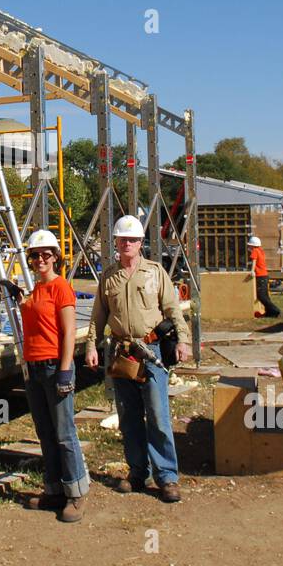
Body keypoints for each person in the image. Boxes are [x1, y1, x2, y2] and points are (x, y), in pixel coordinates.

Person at [85, 215, 193, 503]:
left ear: (141, 243)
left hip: (151, 351)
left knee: (158, 415)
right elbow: (98, 317)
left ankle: (167, 477)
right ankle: (137, 473)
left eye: (132, 239)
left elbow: (173, 311)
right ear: (116, 243)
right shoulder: (109, 277)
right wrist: (91, 347)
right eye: (122, 239)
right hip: (122, 354)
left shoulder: (155, 273)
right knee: (129, 417)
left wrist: (183, 340)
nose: (127, 244)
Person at [18, 230, 90, 522]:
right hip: (33, 367)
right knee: (45, 433)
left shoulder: (62, 288)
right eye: (35, 256)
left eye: (45, 255)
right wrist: (19, 298)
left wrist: (65, 369)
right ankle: (54, 490)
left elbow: (69, 332)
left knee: (63, 433)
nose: (39, 260)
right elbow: (33, 316)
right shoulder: (35, 291)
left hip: (53, 367)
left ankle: (76, 494)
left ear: (56, 257)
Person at [248, 236, 281, 318]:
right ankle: (269, 313)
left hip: (260, 276)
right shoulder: (260, 251)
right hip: (264, 275)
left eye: (250, 245)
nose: (249, 246)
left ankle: (275, 310)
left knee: (261, 296)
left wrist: (252, 270)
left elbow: (254, 261)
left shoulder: (255, 251)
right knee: (265, 295)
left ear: (253, 245)